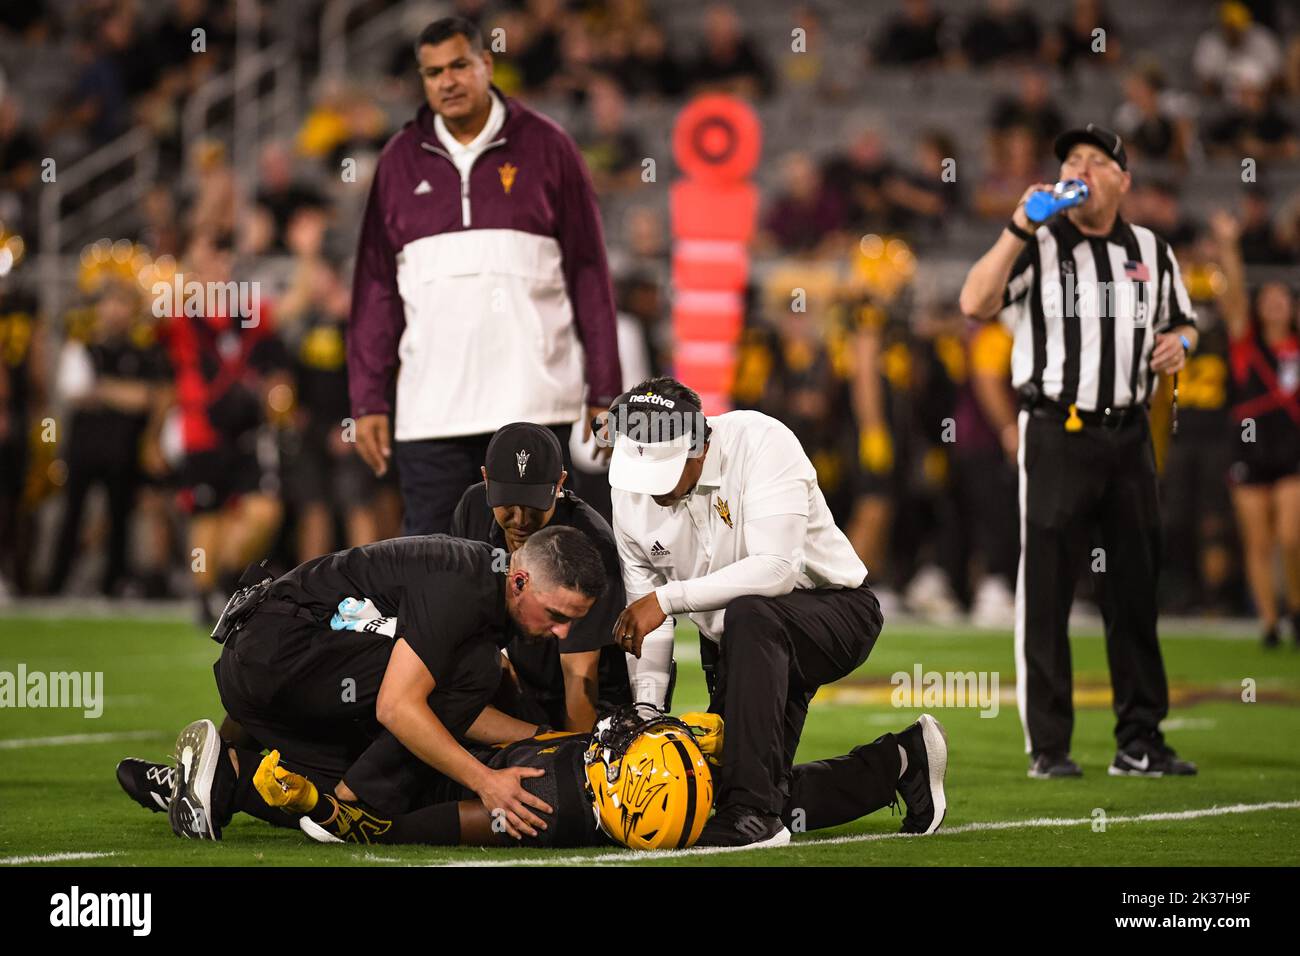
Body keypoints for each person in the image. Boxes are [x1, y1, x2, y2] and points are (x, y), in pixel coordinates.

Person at [605, 377, 945, 848]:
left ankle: (752, 818)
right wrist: (648, 711)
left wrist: (667, 599)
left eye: (661, 470)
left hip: (833, 612)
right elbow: (648, 625)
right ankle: (902, 762)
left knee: (750, 615)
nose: (649, 488)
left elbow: (776, 570)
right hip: (740, 641)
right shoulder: (630, 491)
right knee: (715, 791)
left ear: (698, 445)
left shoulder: (762, 441)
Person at [958, 123, 1199, 779]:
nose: (1082, 168)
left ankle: (1140, 741)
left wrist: (1181, 344)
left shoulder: (1150, 248)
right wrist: (1018, 225)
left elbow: (1182, 321)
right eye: (1071, 159)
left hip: (1129, 432)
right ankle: (1050, 746)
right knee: (1048, 590)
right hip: (1056, 429)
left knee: (1134, 589)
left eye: (1097, 160)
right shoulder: (1039, 242)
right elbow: (974, 301)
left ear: (1124, 180)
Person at [347, 16, 621, 536]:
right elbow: (375, 289)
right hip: (431, 413)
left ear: (486, 64)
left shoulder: (548, 147)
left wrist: (604, 389)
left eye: (459, 66)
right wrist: (367, 400)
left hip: (533, 402)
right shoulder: (398, 161)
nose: (447, 82)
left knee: (540, 562)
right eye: (433, 73)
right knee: (434, 564)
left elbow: (589, 272)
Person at [164, 526, 606, 842]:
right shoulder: (464, 588)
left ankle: (218, 772)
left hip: (264, 671)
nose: (563, 633)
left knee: (328, 802)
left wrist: (550, 738)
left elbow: (457, 713)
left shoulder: (483, 584)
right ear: (520, 581)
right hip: (276, 655)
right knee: (475, 674)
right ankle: (353, 797)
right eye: (557, 615)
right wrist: (486, 780)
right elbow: (398, 706)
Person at [121, 705, 948, 854]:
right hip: (469, 746)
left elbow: (408, 829)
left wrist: (329, 813)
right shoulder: (679, 765)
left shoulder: (545, 808)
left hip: (437, 779)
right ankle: (901, 758)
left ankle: (221, 788)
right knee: (773, 797)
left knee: (329, 787)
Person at [450, 421, 630, 731]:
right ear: (486, 479)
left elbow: (579, 680)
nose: (520, 519)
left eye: (534, 503)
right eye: (507, 501)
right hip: (509, 686)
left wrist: (570, 754)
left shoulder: (590, 544)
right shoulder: (472, 507)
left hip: (583, 703)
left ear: (560, 484)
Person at [1213, 212, 1300, 647]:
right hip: (1250, 449)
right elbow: (1232, 299)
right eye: (1268, 298)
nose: (1275, 304)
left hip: (1292, 453)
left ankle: (1296, 606)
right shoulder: (1246, 345)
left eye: (1283, 298)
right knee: (1258, 541)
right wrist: (1229, 246)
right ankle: (1269, 622)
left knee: (1291, 535)